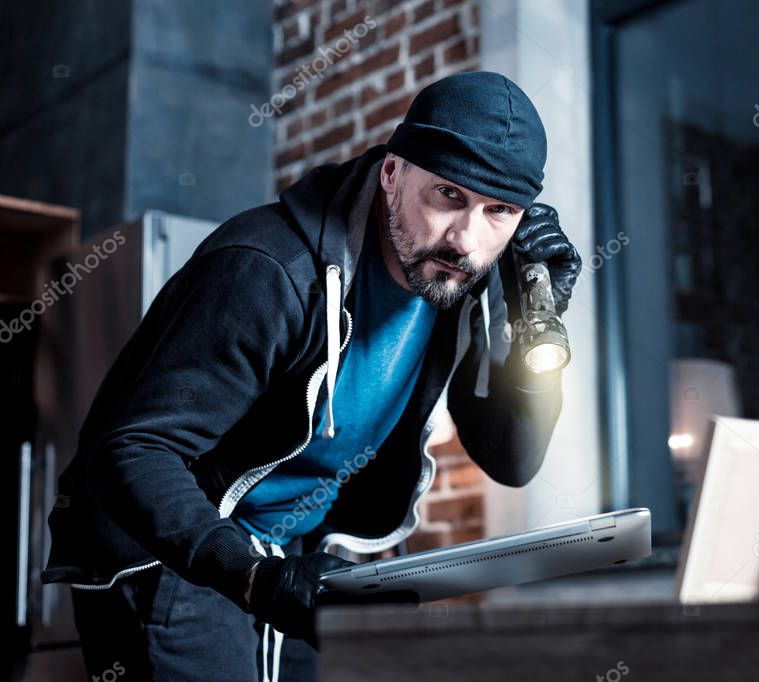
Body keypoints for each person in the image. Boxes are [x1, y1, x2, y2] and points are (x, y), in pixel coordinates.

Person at [41, 71, 581, 681]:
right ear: (391, 173)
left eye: (499, 211)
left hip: (293, 557)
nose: (465, 239)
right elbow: (135, 452)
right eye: (448, 196)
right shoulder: (266, 269)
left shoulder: (461, 283)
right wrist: (252, 576)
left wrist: (538, 319)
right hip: (167, 542)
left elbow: (512, 462)